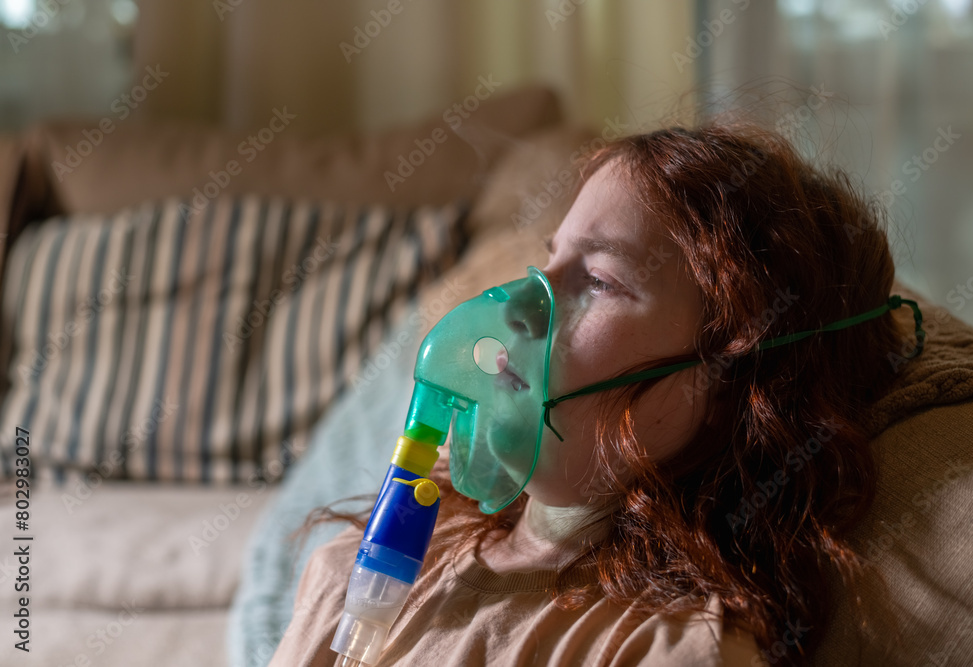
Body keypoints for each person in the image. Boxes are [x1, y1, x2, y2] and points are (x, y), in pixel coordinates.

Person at [268, 121, 919, 666]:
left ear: (728, 372)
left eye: (600, 280)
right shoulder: (366, 563)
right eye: (548, 260)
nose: (521, 302)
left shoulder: (658, 650)